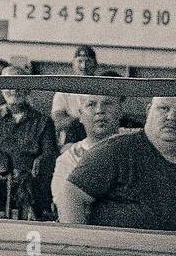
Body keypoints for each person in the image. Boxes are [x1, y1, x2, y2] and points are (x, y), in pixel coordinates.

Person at [58, 96, 176, 232]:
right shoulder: (116, 150)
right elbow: (71, 196)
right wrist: (81, 248)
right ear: (149, 110)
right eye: (163, 108)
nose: (171, 117)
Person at [0, 67, 59, 218]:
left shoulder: (43, 122)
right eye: (9, 84)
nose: (14, 90)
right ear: (1, 89)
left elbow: (50, 157)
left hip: (31, 191)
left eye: (20, 84)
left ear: (28, 88)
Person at [51, 81, 127, 214]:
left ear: (120, 111)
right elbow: (67, 208)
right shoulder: (68, 159)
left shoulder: (137, 147)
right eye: (91, 104)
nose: (99, 111)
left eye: (107, 103)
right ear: (80, 115)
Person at [51, 44, 98, 146]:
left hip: (97, 140)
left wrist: (74, 117)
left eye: (88, 61)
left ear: (95, 64)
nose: (84, 66)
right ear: (73, 64)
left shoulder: (101, 89)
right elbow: (57, 122)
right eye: (80, 61)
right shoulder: (64, 91)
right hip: (71, 143)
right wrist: (83, 119)